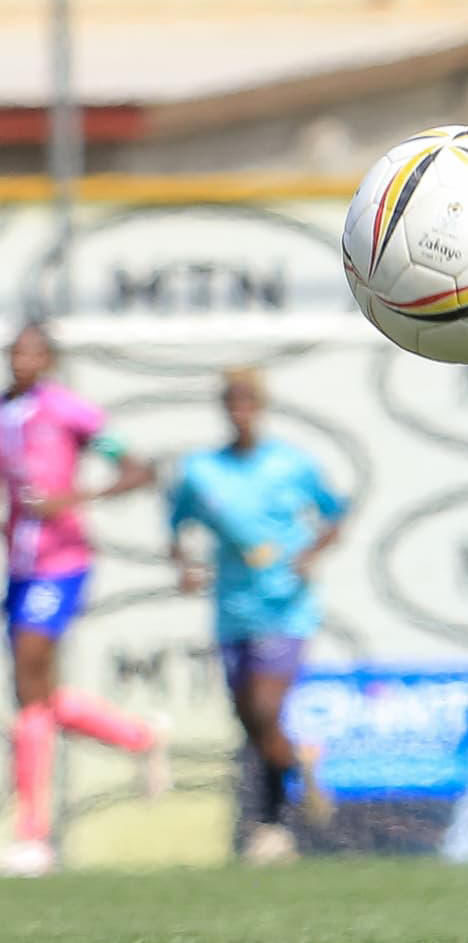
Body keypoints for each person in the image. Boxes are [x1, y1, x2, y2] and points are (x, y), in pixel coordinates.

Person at [3, 322, 168, 876]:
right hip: (22, 570)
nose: (20, 359)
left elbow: (138, 467)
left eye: (32, 351)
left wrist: (74, 496)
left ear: (48, 359)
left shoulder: (67, 410)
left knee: (29, 687)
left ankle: (34, 836)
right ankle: (141, 737)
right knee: (39, 696)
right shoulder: (6, 412)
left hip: (62, 565)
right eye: (14, 350)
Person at [166, 367, 347, 866]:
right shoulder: (203, 471)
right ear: (225, 407)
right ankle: (292, 771)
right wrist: (183, 566)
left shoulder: (291, 465)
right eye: (233, 400)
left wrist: (310, 555)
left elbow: (335, 514)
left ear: (260, 407)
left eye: (249, 400)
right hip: (232, 610)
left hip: (286, 607)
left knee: (266, 710)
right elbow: (176, 521)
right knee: (249, 721)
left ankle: (272, 824)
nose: (240, 408)